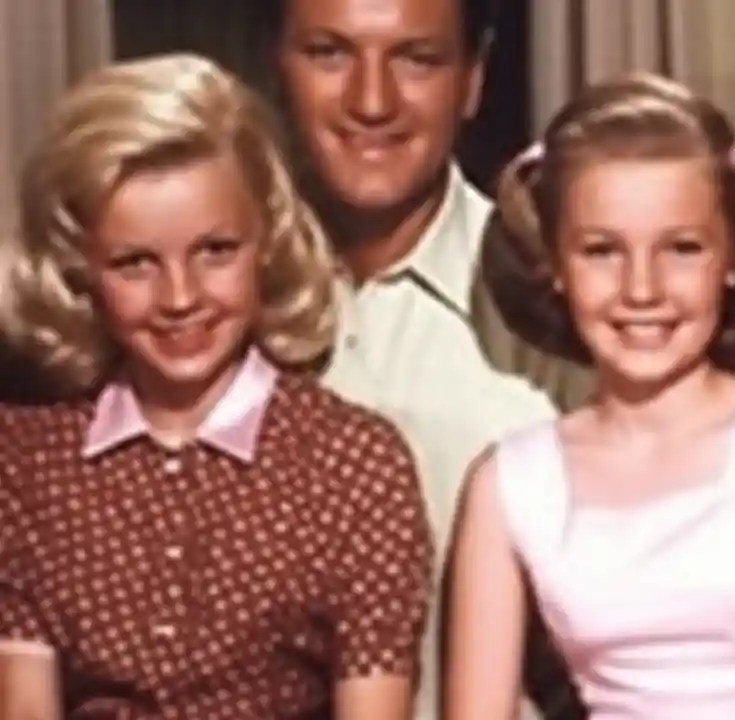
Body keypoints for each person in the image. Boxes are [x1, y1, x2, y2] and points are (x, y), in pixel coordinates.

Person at [442, 72, 735, 719]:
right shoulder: (511, 487)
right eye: (602, 251)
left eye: (681, 248)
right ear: (553, 265)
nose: (642, 289)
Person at [0, 54, 431, 719]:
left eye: (215, 251)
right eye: (135, 263)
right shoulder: (29, 456)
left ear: (266, 240)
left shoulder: (354, 464)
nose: (180, 298)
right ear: (81, 267)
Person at [273, 1, 587, 714]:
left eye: (417, 59)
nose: (372, 100)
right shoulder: (196, 306)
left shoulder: (558, 309)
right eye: (331, 53)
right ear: (280, 64)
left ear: (473, 79)